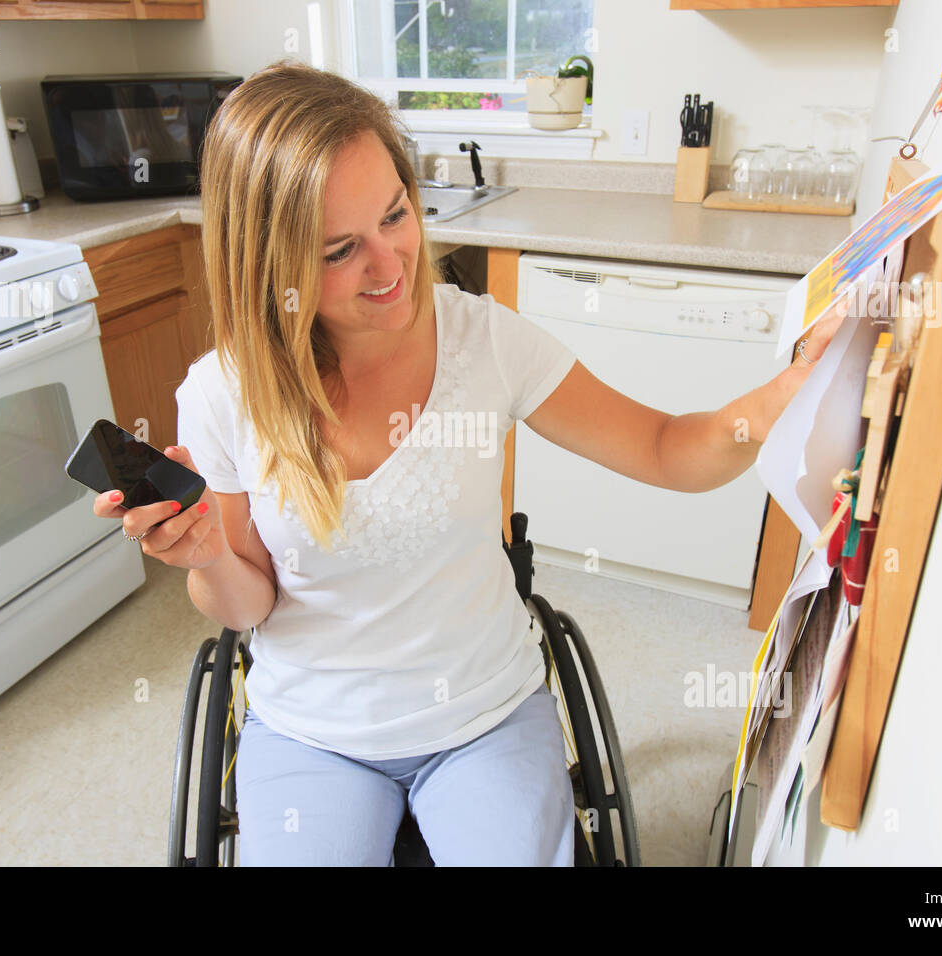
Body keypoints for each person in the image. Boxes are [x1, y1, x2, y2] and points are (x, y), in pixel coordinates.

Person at [91, 59, 846, 866]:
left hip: (483, 715)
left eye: (396, 214)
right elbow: (246, 609)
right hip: (314, 730)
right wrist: (204, 555)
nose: (392, 266)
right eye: (342, 249)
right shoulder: (221, 393)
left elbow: (667, 449)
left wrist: (778, 399)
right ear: (269, 264)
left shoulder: (485, 342)